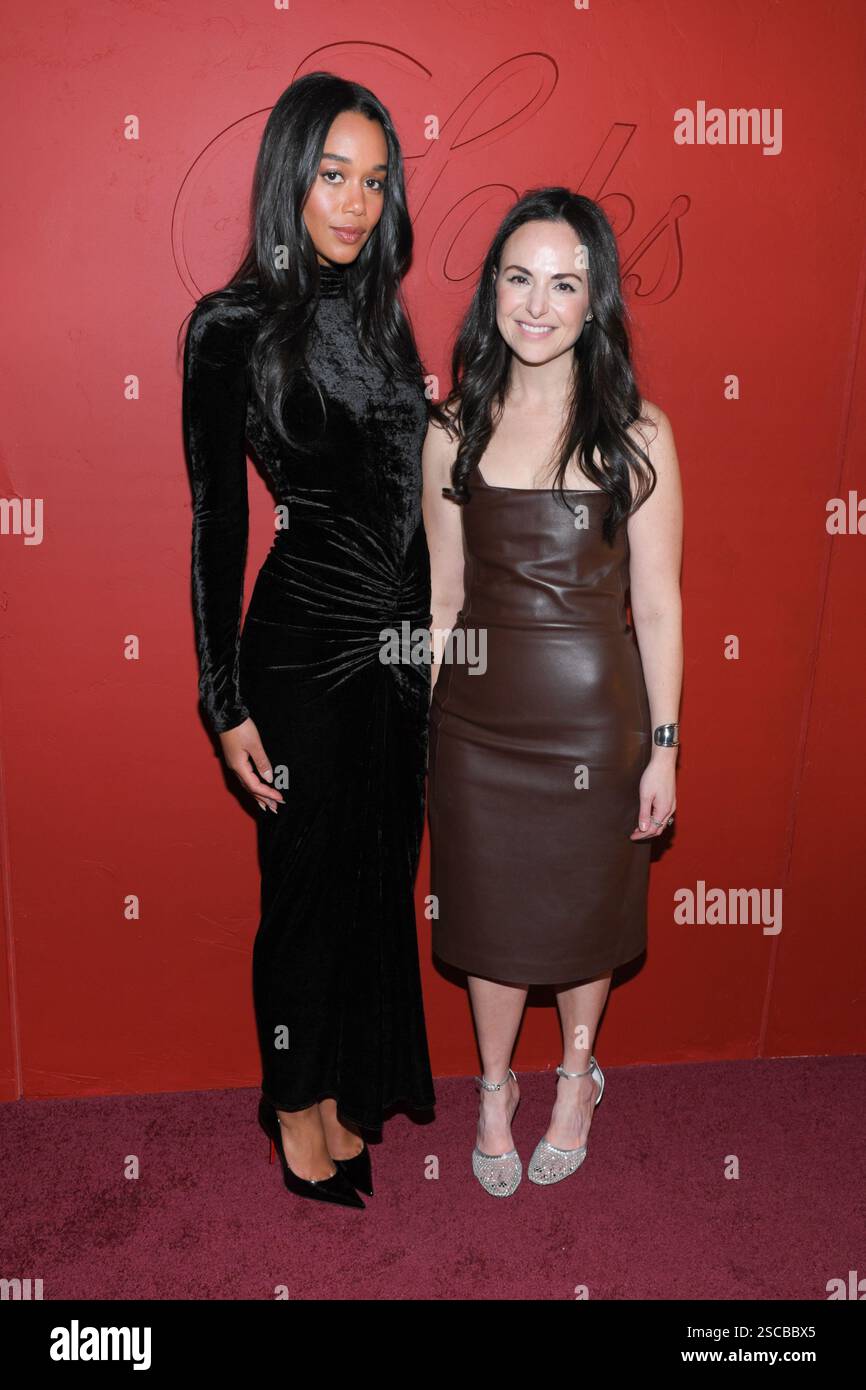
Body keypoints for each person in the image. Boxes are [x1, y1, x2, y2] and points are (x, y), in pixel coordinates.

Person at [181, 73, 437, 1211]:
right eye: (332, 175)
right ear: (289, 175)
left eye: (374, 181)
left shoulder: (386, 317)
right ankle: (290, 1102)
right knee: (299, 887)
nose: (354, 202)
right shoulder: (227, 326)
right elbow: (218, 518)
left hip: (394, 656)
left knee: (371, 882)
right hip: (295, 654)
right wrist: (220, 695)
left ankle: (338, 1084)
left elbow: (410, 491)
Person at [422, 188, 683, 1197]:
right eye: (518, 277)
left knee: (581, 916)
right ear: (492, 288)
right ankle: (492, 1087)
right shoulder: (449, 428)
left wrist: (662, 744)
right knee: (487, 915)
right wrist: (429, 726)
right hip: (478, 726)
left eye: (563, 283)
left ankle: (575, 1074)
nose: (537, 303)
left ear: (593, 302)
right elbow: (443, 599)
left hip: (593, 720)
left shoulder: (638, 435)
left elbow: (656, 605)